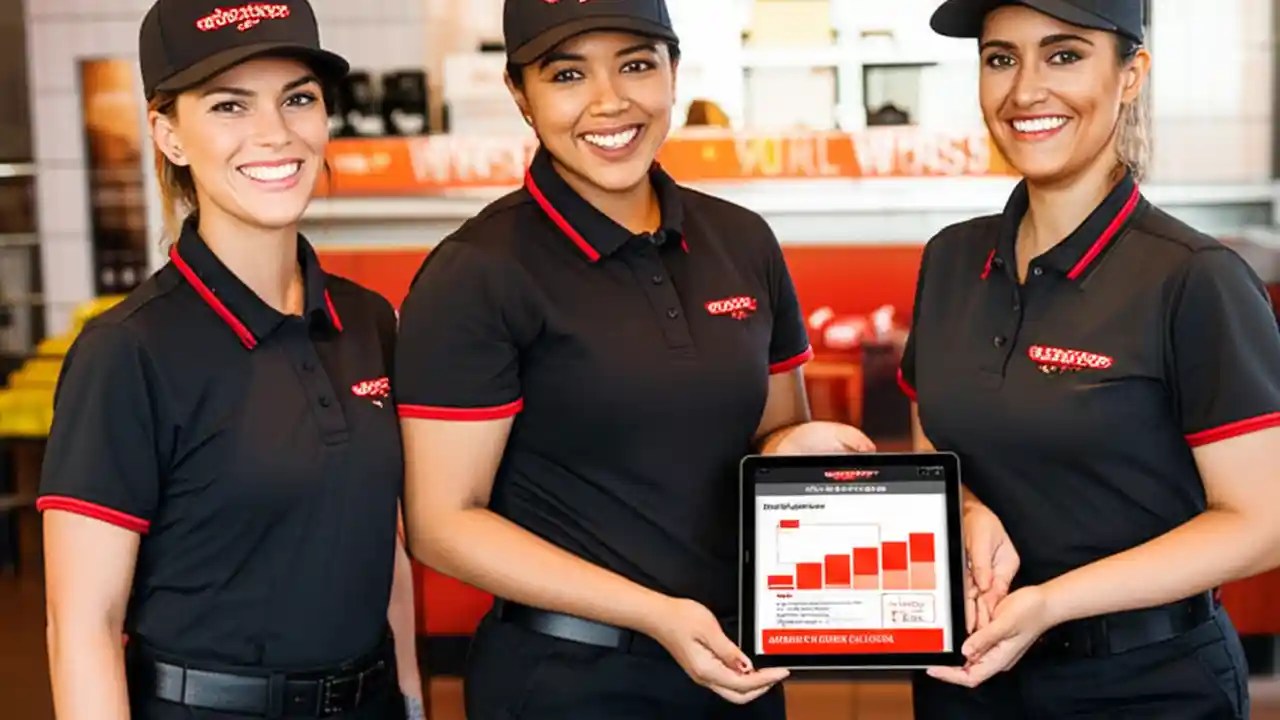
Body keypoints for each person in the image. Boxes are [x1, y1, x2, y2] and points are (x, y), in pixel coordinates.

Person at [393, 1, 875, 718]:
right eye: (566, 74)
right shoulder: (475, 273)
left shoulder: (741, 242)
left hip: (735, 669)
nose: (609, 100)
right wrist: (656, 614)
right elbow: (443, 524)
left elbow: (770, 441)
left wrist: (798, 447)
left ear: (674, 73)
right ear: (520, 95)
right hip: (565, 681)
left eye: (637, 64)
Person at [37, 1, 425, 717]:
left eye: (297, 99)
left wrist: (410, 702)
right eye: (228, 106)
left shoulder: (368, 320)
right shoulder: (126, 352)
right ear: (169, 135)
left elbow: (384, 549)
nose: (274, 134)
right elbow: (81, 628)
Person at [898, 0, 1280, 717]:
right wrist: (966, 506)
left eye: (1064, 54)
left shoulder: (1195, 278)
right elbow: (932, 442)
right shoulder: (950, 258)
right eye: (1000, 58)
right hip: (966, 680)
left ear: (1131, 74)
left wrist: (1051, 604)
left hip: (1144, 686)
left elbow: (1264, 522)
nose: (1024, 90)